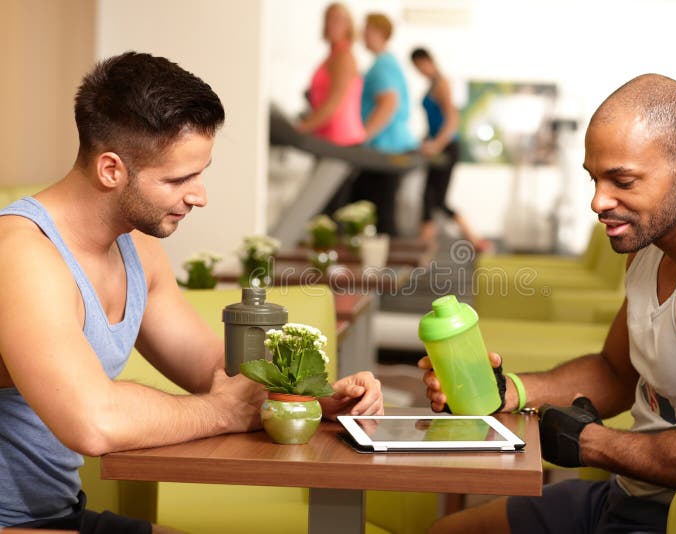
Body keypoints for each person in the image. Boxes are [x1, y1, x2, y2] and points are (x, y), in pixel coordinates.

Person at [0, 51, 383, 532]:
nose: (199, 195)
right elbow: (93, 421)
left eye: (200, 173)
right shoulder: (23, 254)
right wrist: (223, 411)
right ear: (111, 169)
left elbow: (212, 370)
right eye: (179, 179)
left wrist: (304, 398)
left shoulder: (135, 247)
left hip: (58, 517)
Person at [420, 73, 676, 533]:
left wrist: (591, 444)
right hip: (630, 494)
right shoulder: (649, 246)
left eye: (622, 180)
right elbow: (615, 373)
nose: (598, 201)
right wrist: (508, 391)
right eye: (594, 179)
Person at [410, 47, 490, 252]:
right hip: (437, 147)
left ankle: (473, 240)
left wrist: (436, 145)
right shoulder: (432, 85)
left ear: (428, 61)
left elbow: (452, 119)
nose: (419, 71)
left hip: (447, 148)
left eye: (420, 66)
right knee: (429, 197)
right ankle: (425, 245)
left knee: (437, 199)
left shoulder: (442, 83)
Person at [350, 12, 418, 236]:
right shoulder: (386, 63)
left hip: (384, 149)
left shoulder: (382, 66)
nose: (362, 34)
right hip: (387, 148)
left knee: (375, 211)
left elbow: (388, 103)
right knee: (376, 209)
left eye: (367, 29)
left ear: (379, 32)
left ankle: (385, 267)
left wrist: (362, 135)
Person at [296, 3, 365, 146]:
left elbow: (334, 101)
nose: (333, 24)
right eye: (330, 19)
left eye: (339, 20)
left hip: (341, 139)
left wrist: (303, 128)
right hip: (326, 137)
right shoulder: (333, 55)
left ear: (349, 25)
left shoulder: (344, 57)